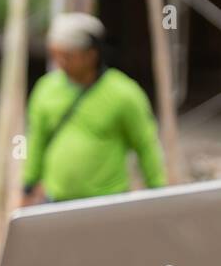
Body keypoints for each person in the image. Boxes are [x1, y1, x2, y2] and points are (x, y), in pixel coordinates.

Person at [22, 12, 166, 205]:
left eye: (67, 56)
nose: (60, 63)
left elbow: (146, 144)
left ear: (91, 55)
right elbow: (37, 141)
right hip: (55, 201)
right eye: (55, 55)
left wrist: (158, 192)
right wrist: (28, 186)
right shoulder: (46, 89)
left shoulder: (123, 93)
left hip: (108, 203)